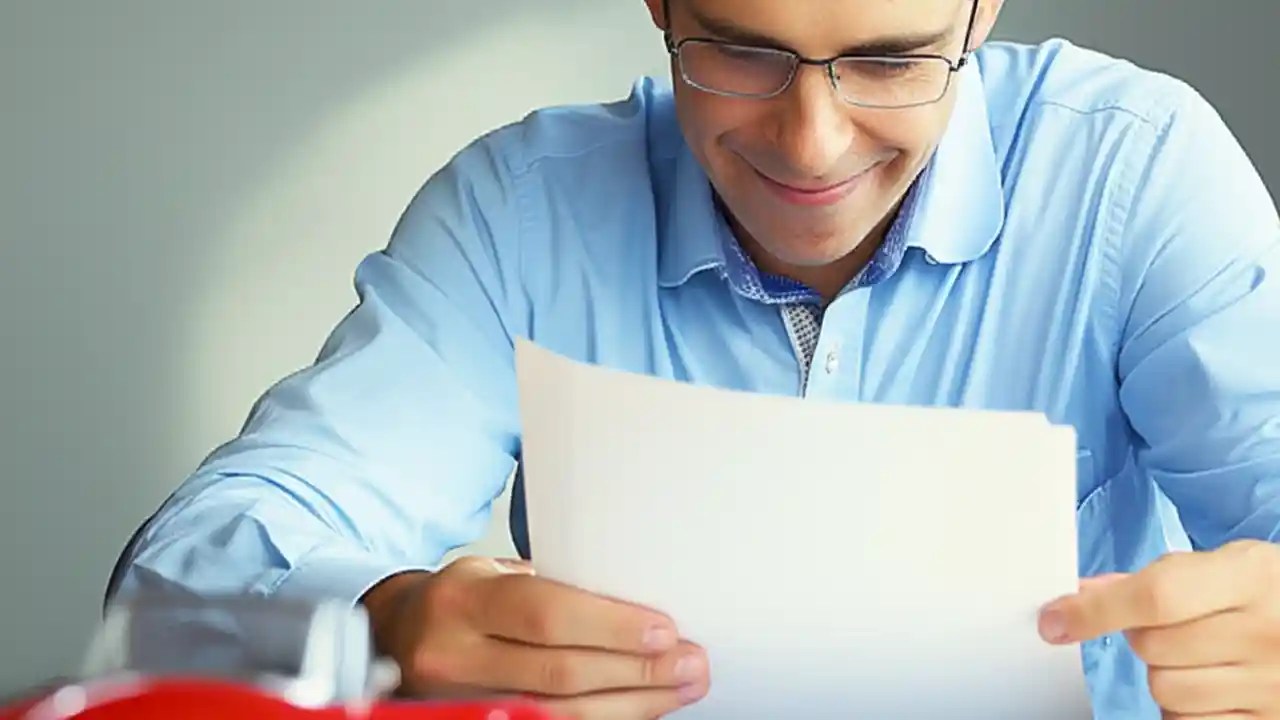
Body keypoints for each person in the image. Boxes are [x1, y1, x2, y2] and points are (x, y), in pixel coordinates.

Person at [107, 0, 1280, 717]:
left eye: (886, 61)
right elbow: (177, 576)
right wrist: (382, 621)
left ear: (979, 10)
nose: (811, 145)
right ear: (661, 3)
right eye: (741, 52)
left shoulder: (1134, 175)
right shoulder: (522, 213)